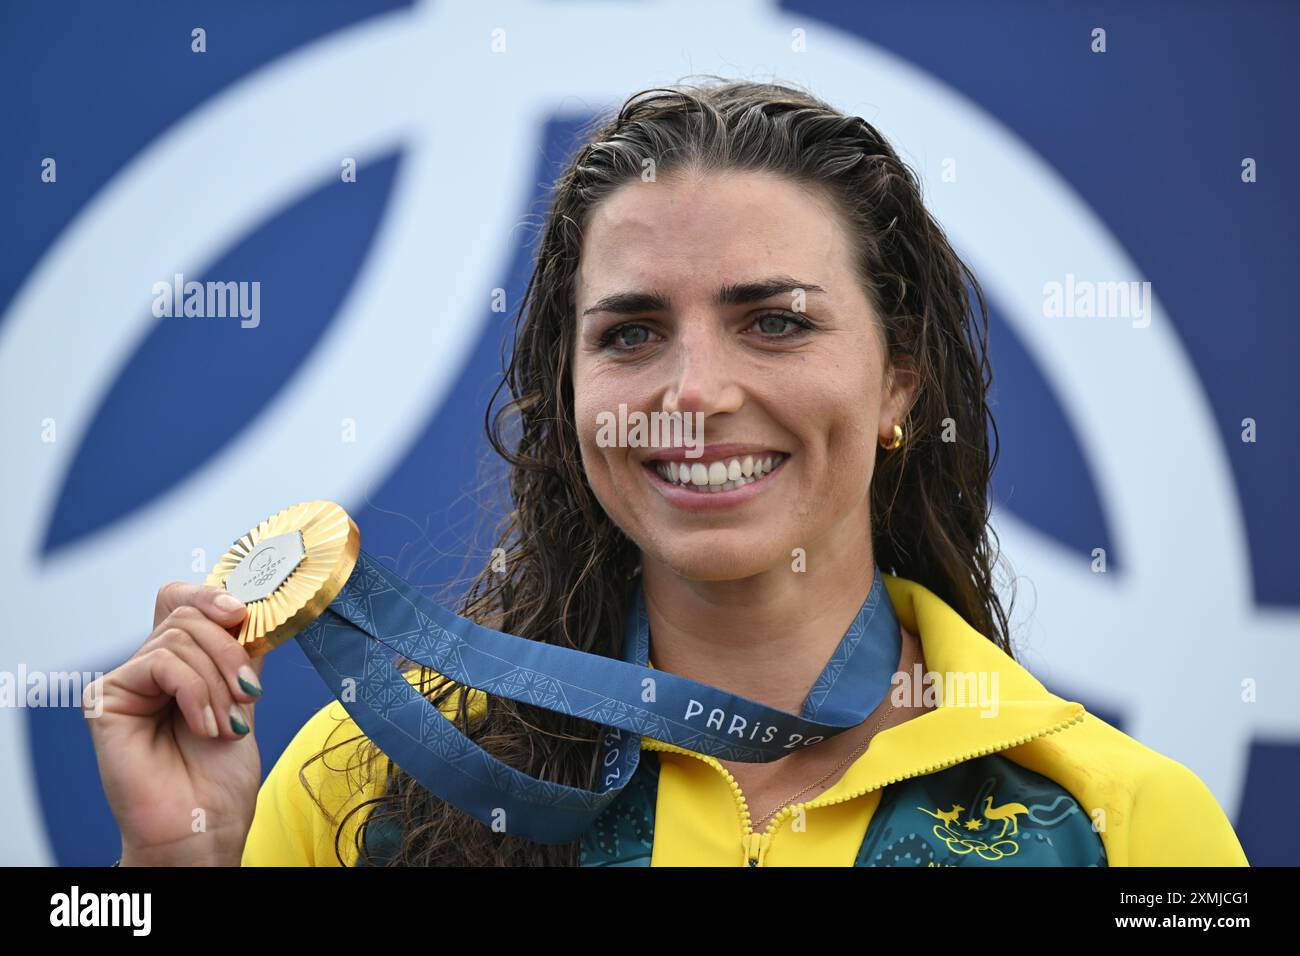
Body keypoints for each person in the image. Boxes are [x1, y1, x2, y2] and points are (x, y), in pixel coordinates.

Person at [88, 78, 1249, 867]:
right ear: (569, 392)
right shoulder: (361, 782)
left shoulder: (1121, 821)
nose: (691, 393)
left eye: (775, 323)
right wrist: (178, 864)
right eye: (631, 332)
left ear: (901, 380)